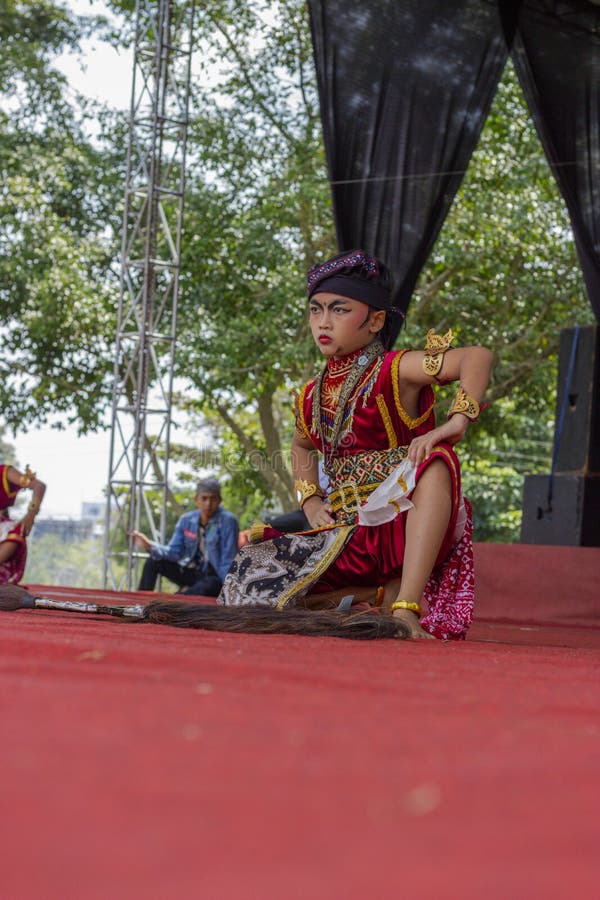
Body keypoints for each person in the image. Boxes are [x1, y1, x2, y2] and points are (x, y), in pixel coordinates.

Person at [218, 250, 494, 640]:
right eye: (315, 310)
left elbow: (476, 358)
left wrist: (456, 422)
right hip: (347, 531)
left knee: (436, 460)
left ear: (375, 321)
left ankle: (405, 606)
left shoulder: (394, 370)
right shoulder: (311, 395)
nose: (323, 322)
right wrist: (311, 499)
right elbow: (301, 448)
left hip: (402, 525)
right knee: (246, 578)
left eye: (339, 310)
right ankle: (374, 594)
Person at [131, 477, 239, 596]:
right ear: (196, 500)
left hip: (215, 577)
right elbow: (174, 552)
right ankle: (140, 601)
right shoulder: (187, 520)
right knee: (153, 561)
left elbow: (228, 561)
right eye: (204, 498)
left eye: (213, 498)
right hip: (192, 572)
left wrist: (230, 589)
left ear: (219, 501)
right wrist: (149, 545)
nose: (208, 503)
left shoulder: (228, 521)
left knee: (208, 586)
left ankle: (178, 598)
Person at [0, 464, 46, 584]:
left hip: (3, 530)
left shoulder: (4, 472)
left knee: (17, 532)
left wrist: (31, 514)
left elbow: (39, 486)